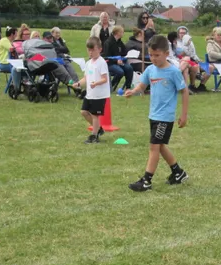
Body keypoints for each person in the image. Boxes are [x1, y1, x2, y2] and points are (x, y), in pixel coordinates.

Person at [124, 35, 190, 192]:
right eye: (150, 55)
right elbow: (142, 85)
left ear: (167, 54)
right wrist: (132, 91)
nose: (153, 58)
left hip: (165, 117)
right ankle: (178, 172)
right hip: (153, 115)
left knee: (154, 146)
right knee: (159, 146)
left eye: (157, 55)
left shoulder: (173, 72)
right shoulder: (150, 69)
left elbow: (184, 91)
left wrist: (184, 115)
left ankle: (146, 181)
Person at [78, 37, 110, 144]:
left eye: (93, 50)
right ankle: (99, 129)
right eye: (89, 50)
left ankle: (94, 136)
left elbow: (104, 79)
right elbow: (86, 78)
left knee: (94, 115)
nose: (91, 52)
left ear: (99, 49)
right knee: (84, 112)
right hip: (90, 94)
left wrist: (96, 83)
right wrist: (78, 83)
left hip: (99, 94)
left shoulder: (101, 63)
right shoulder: (88, 63)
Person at [103, 25, 133, 91]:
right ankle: (112, 85)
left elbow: (124, 52)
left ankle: (128, 87)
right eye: (122, 32)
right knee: (120, 72)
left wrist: (128, 55)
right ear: (118, 33)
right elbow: (106, 57)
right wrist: (116, 61)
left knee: (129, 68)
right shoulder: (108, 42)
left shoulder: (120, 42)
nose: (123, 33)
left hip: (119, 62)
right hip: (110, 64)